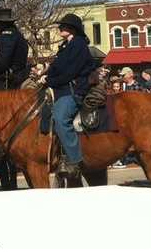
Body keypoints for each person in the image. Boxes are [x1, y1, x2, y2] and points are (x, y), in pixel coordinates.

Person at [41, 13, 96, 178]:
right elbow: (58, 67)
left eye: (63, 26)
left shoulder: (78, 45)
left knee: (60, 118)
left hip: (73, 90)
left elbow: (70, 72)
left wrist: (50, 81)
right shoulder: (66, 46)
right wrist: (45, 75)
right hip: (62, 88)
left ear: (72, 29)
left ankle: (75, 160)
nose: (60, 28)